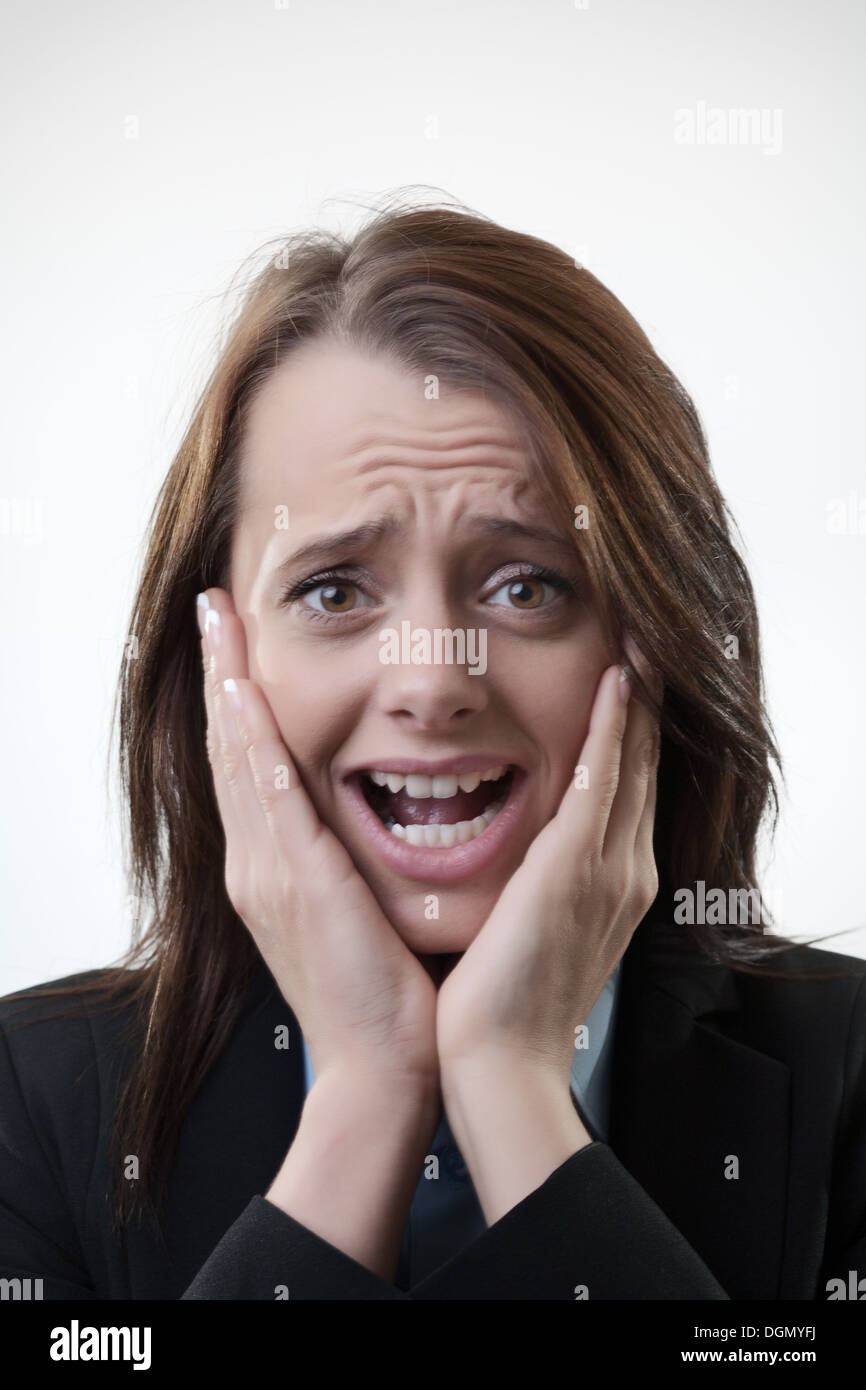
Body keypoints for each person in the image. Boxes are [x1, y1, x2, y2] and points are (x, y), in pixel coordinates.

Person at [1, 196, 864, 1301]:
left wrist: (511, 1087)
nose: (431, 680)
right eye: (332, 589)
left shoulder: (846, 1081)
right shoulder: (27, 1099)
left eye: (525, 584)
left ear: (654, 642)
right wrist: (365, 1090)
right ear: (220, 663)